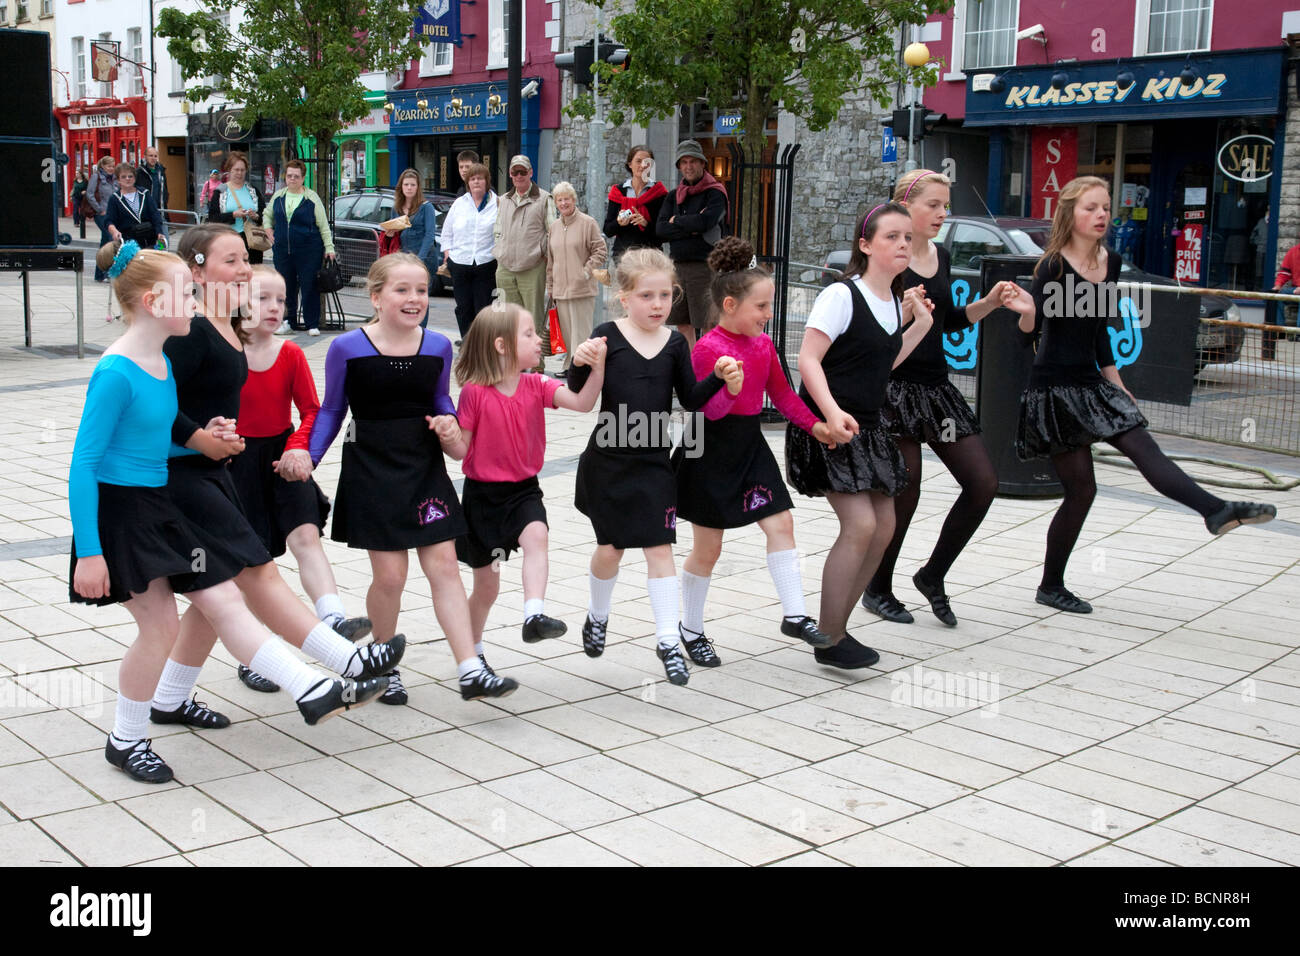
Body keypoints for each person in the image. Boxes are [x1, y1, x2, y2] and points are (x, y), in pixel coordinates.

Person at [69, 241, 387, 782]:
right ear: (152, 301)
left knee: (223, 597)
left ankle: (310, 686)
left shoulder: (158, 366)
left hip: (158, 504)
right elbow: (84, 464)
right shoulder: (116, 371)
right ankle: (126, 739)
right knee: (159, 629)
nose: (194, 304)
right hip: (121, 514)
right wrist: (91, 554)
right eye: (185, 294)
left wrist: (204, 436)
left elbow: (159, 435)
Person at [148, 224, 404, 707]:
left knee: (219, 595)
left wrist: (220, 435)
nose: (244, 267)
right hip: (186, 479)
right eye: (231, 260)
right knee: (255, 574)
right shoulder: (192, 331)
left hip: (213, 470)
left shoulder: (224, 328)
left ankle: (169, 700)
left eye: (245, 258)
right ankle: (345, 661)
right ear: (197, 268)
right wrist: (202, 438)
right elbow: (153, 406)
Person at [1010, 176, 1276, 614]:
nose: (1101, 215)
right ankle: (1050, 585)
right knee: (1082, 492)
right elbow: (1027, 339)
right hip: (1053, 390)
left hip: (1092, 383)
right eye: (1091, 207)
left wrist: (1115, 381)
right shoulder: (1052, 266)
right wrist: (1026, 315)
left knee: (1144, 448)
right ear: (1070, 214)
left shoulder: (1109, 262)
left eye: (1105, 207)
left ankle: (1216, 510)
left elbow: (1098, 331)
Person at [310, 253, 520, 703]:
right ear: (376, 296)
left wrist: (448, 423)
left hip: (424, 468)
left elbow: (441, 398)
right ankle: (383, 660)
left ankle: (469, 669)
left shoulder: (439, 345)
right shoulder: (347, 347)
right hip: (371, 469)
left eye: (422, 290)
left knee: (444, 566)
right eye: (402, 290)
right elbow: (331, 410)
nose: (414, 299)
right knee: (390, 577)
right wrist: (306, 459)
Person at [569, 247, 742, 685]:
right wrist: (579, 359)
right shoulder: (607, 334)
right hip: (608, 461)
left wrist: (720, 380)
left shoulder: (675, 343)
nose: (658, 305)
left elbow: (690, 399)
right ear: (624, 297)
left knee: (659, 548)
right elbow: (578, 390)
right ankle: (597, 614)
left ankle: (667, 640)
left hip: (652, 464)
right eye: (647, 296)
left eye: (665, 295)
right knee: (612, 549)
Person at [785, 202, 935, 670]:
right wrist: (830, 414)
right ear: (865, 245)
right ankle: (828, 638)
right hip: (827, 426)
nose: (903, 245)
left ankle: (838, 630)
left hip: (868, 426)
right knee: (861, 525)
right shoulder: (841, 295)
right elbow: (807, 359)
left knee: (885, 526)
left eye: (907, 237)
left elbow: (880, 365)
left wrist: (920, 326)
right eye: (891, 237)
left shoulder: (894, 299)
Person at [675, 237, 838, 667]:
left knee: (781, 522)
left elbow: (782, 396)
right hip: (710, 450)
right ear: (730, 305)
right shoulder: (708, 348)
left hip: (750, 443)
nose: (768, 315)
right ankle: (690, 629)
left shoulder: (764, 345)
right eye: (761, 307)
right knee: (709, 549)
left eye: (769, 306)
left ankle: (795, 614)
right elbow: (707, 410)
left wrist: (817, 426)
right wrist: (729, 388)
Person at [863, 169, 1012, 628]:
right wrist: (904, 315)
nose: (943, 214)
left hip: (936, 389)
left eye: (946, 205)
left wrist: (989, 302)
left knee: (983, 483)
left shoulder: (941, 255)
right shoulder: (890, 260)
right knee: (906, 490)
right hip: (894, 389)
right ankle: (877, 586)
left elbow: (948, 322)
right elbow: (869, 330)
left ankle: (932, 574)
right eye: (935, 204)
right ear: (906, 204)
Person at [433, 303, 606, 675]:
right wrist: (448, 437)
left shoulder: (536, 384)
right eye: (528, 334)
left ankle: (534, 615)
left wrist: (598, 368)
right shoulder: (475, 394)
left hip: (524, 492)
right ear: (501, 345)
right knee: (487, 587)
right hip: (483, 499)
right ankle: (473, 650)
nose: (538, 339)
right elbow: (461, 450)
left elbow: (582, 402)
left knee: (537, 537)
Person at [228, 263, 372, 661]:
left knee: (306, 536)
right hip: (234, 464)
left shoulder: (290, 353)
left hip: (283, 459)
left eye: (282, 299)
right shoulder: (225, 352)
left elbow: (312, 409)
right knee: (252, 563)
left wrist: (299, 448)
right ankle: (256, 656)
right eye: (263, 298)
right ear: (237, 301)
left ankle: (333, 619)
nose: (275, 307)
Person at [657, 139, 728, 349]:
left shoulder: (715, 193)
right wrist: (692, 225)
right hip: (678, 266)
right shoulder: (673, 196)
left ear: (702, 163)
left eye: (693, 161)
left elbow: (707, 222)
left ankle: (707, 364)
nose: (688, 166)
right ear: (679, 166)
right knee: (682, 322)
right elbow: (660, 230)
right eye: (684, 162)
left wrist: (676, 222)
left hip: (704, 267)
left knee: (707, 321)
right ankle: (691, 364)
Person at [494, 154, 557, 370]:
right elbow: (497, 229)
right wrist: (499, 250)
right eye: (515, 172)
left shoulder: (545, 198)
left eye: (523, 172)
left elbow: (553, 233)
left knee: (534, 318)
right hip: (505, 268)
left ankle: (537, 365)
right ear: (510, 175)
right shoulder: (502, 200)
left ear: (531, 173)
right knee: (509, 318)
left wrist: (544, 258)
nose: (519, 176)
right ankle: (514, 363)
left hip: (532, 267)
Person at [264, 158, 336, 336]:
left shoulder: (311, 198)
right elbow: (267, 214)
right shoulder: (279, 196)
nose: (292, 179)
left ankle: (312, 323)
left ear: (303, 178)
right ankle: (288, 321)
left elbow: (323, 224)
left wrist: (329, 247)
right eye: (289, 176)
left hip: (309, 249)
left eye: (296, 176)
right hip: (282, 249)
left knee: (308, 285)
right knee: (285, 287)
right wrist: (267, 228)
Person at [546, 181, 607, 376]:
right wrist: (550, 286)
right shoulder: (554, 227)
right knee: (566, 333)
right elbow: (550, 260)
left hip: (581, 288)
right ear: (556, 203)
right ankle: (568, 366)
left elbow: (600, 250)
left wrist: (586, 271)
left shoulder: (587, 223)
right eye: (559, 200)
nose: (563, 203)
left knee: (581, 333)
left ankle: (582, 369)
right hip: (560, 290)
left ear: (574, 200)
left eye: (567, 199)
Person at [440, 162, 498, 340]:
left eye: (480, 178)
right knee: (463, 307)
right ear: (468, 183)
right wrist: (448, 255)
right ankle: (466, 342)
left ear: (487, 181)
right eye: (472, 179)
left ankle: (481, 345)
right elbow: (447, 232)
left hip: (485, 263)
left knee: (483, 308)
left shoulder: (497, 203)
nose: (476, 182)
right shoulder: (460, 203)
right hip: (460, 263)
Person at [389, 167, 440, 327]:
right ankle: (407, 327)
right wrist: (389, 233)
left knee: (419, 297)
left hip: (424, 258)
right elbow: (394, 235)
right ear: (401, 187)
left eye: (412, 185)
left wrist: (420, 259)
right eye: (406, 185)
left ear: (418, 187)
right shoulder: (396, 208)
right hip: (404, 258)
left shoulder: (426, 207)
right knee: (405, 296)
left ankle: (420, 330)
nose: (409, 188)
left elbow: (429, 235)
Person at [605, 145, 666, 262]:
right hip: (623, 256)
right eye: (638, 161)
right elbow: (608, 230)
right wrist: (619, 223)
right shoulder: (618, 192)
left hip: (651, 257)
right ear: (630, 164)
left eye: (647, 162)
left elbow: (664, 234)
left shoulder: (659, 193)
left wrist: (645, 224)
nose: (643, 166)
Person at [208, 153, 268, 265]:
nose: (239, 173)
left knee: (252, 277)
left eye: (242, 170)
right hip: (227, 242)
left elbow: (264, 214)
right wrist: (233, 215)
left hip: (252, 243)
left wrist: (255, 216)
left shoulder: (253, 190)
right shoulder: (220, 192)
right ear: (229, 170)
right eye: (236, 170)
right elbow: (212, 219)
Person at [104, 163, 165, 250]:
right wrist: (114, 231)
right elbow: (109, 220)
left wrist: (159, 232)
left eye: (130, 176)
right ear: (118, 180)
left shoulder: (144, 193)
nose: (127, 179)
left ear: (135, 178)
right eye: (123, 177)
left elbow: (155, 214)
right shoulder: (115, 199)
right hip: (129, 243)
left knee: (157, 260)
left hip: (150, 239)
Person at [87, 156, 117, 282]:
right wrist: (99, 209)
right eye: (109, 166)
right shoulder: (96, 177)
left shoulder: (115, 178)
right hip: (102, 214)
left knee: (105, 242)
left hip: (112, 214)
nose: (111, 168)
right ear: (103, 166)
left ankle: (99, 274)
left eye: (113, 166)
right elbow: (90, 194)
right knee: (109, 239)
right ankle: (106, 273)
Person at [135, 145, 170, 237]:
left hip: (160, 211)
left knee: (163, 240)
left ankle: (161, 251)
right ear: (145, 156)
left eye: (155, 156)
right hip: (145, 214)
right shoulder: (139, 172)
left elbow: (164, 189)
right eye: (150, 156)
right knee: (150, 240)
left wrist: (165, 201)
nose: (153, 158)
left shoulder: (161, 171)